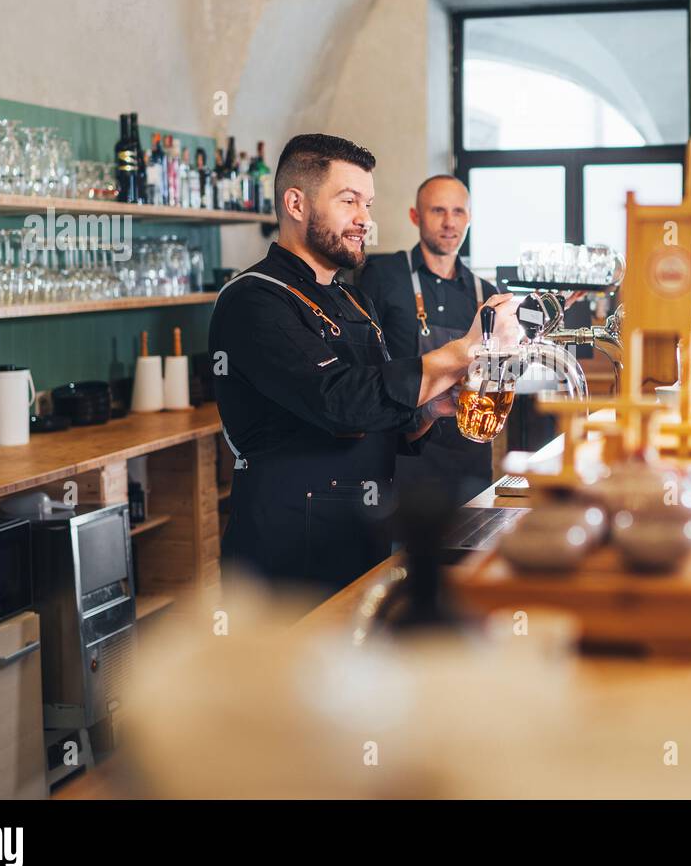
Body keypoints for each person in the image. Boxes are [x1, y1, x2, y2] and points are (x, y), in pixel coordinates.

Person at [208, 135, 518, 591]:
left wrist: (428, 410)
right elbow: (340, 402)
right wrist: (466, 348)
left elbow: (376, 406)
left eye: (367, 204)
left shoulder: (354, 301)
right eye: (349, 201)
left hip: (363, 542)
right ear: (296, 203)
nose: (364, 221)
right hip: (285, 562)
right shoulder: (253, 299)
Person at [359, 175, 498, 506]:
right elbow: (364, 369)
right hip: (404, 456)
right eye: (438, 211)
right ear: (415, 216)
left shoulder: (486, 294)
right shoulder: (383, 276)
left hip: (470, 460)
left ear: (469, 217)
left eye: (458, 212)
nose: (450, 222)